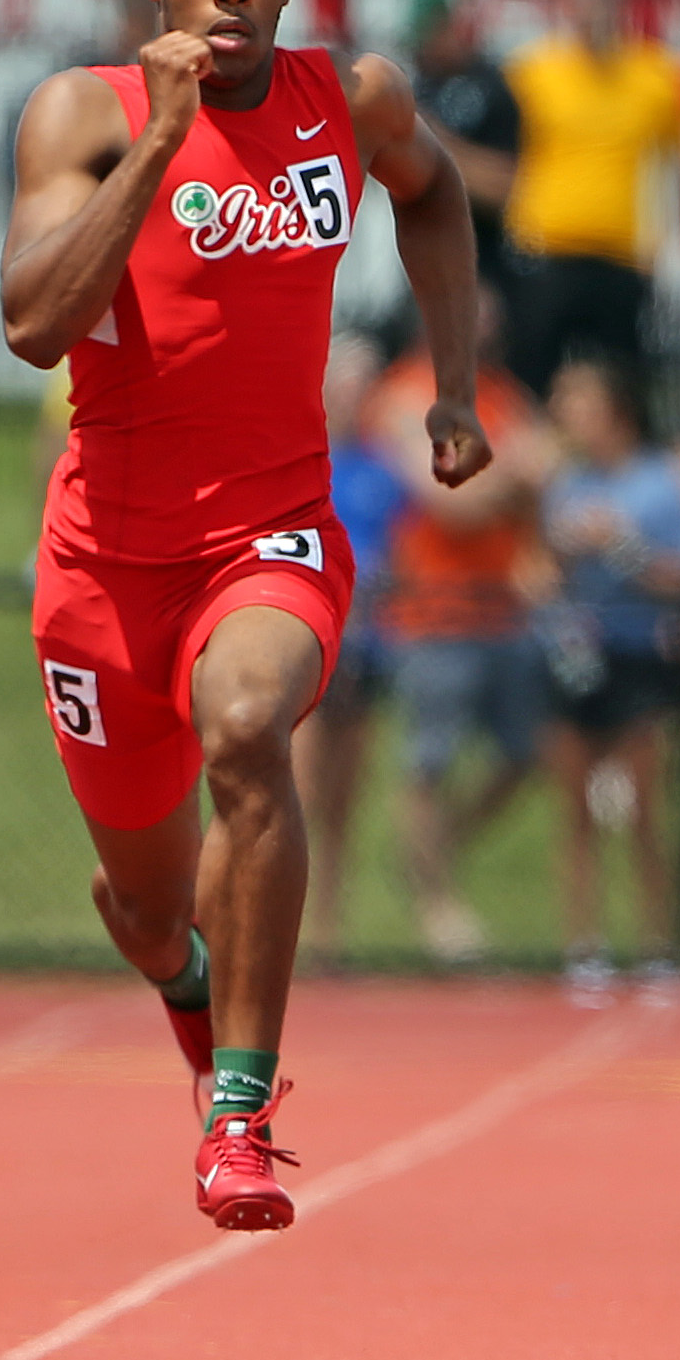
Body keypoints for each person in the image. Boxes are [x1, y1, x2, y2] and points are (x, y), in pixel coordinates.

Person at [1, 0, 490, 1233]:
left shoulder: (357, 99)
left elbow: (439, 194)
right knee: (154, 911)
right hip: (103, 567)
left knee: (246, 726)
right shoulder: (80, 116)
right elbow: (33, 324)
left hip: (269, 536)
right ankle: (188, 996)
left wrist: (450, 387)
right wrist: (159, 141)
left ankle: (241, 1111)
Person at [365, 302, 537, 962]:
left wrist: (492, 485)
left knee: (525, 753)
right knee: (428, 762)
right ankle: (436, 904)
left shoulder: (503, 394)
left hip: (504, 608)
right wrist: (507, 484)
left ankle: (434, 852)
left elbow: (546, 467)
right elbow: (445, 499)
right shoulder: (406, 395)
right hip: (433, 612)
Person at [536, 355, 680, 1003]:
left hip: (640, 654)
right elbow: (546, 562)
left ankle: (658, 946)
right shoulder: (566, 483)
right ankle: (584, 946)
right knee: (574, 807)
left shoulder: (662, 484)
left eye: (577, 401)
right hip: (579, 653)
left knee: (642, 807)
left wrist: (622, 545)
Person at [497, 0, 675, 401]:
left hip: (620, 250)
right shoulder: (534, 73)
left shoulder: (654, 76)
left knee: (623, 380)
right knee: (532, 376)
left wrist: (671, 236)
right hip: (548, 247)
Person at [290, 323, 405, 966]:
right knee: (299, 791)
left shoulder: (382, 467)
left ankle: (329, 922)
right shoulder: (305, 461)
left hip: (366, 644)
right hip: (312, 637)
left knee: (341, 798)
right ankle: (296, 925)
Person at [404, 0, 523, 280]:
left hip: (488, 259)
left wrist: (436, 146)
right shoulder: (421, 86)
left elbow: (508, 188)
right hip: (425, 257)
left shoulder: (492, 85)